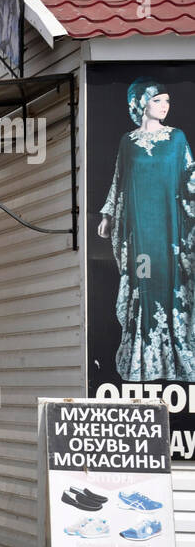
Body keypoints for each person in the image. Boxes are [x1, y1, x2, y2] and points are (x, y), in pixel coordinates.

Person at [97, 80, 195, 381]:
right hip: (140, 234)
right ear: (141, 103)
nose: (165, 106)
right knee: (144, 285)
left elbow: (191, 177)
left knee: (170, 284)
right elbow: (119, 182)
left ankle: (175, 358)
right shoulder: (128, 143)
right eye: (158, 100)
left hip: (170, 232)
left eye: (167, 100)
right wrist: (108, 215)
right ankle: (143, 360)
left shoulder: (177, 139)